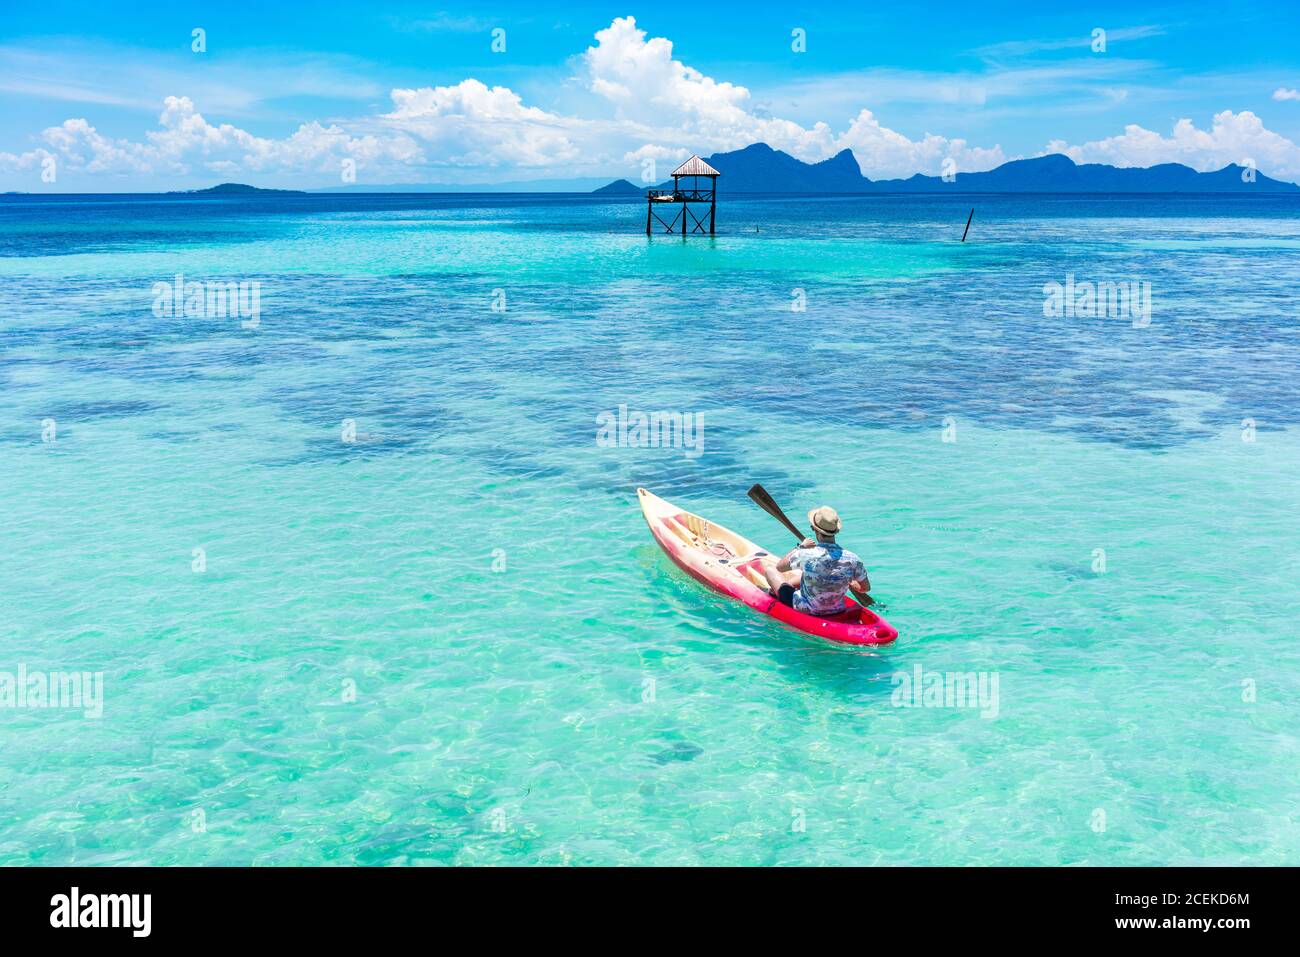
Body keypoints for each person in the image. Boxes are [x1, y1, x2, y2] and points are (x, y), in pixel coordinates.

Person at [761, 506, 870, 616]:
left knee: (770, 570)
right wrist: (852, 584)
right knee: (806, 573)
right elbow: (865, 588)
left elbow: (780, 567)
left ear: (814, 529)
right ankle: (787, 585)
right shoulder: (853, 559)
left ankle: (776, 591)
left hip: (807, 609)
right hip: (838, 609)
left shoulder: (806, 554)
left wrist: (801, 547)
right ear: (835, 531)